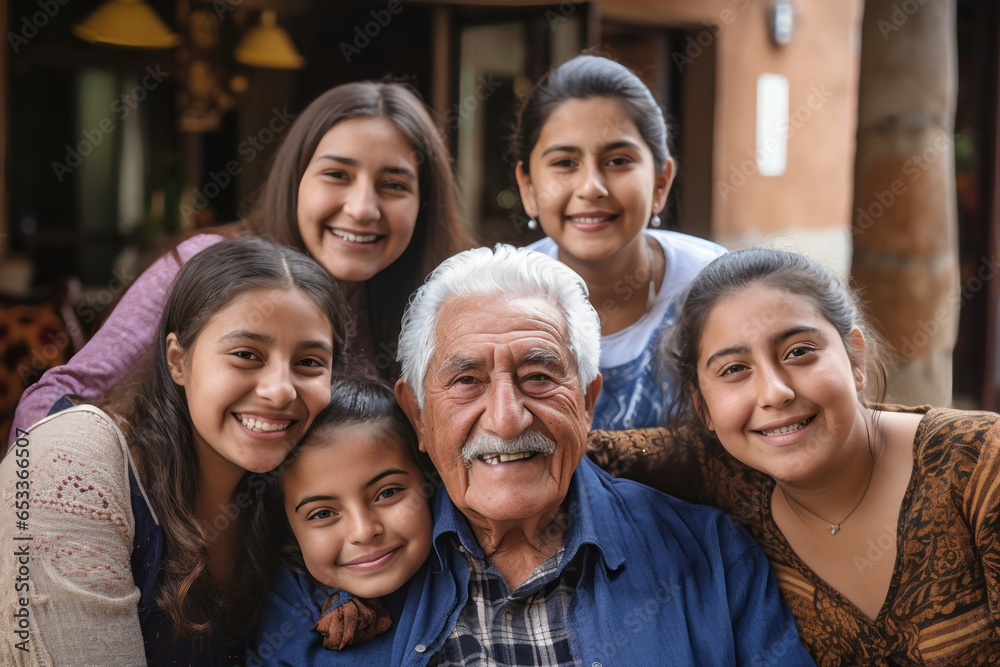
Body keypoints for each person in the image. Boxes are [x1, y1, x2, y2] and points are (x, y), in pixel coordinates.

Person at [255, 245, 812, 666]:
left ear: (589, 402)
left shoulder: (709, 557)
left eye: (540, 377)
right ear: (418, 415)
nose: (506, 417)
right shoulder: (342, 573)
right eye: (467, 380)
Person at [588, 248, 1000, 665]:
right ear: (702, 408)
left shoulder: (979, 462)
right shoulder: (719, 475)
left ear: (855, 357)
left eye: (799, 351)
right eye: (734, 369)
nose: (775, 392)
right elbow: (573, 448)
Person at [9, 80, 468, 448]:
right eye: (337, 175)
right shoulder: (207, 266)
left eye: (394, 185)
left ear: (422, 206)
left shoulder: (423, 312)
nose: (364, 207)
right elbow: (50, 404)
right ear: (295, 180)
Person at [0, 237, 349, 665]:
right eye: (245, 354)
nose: (280, 391)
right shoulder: (75, 462)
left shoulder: (299, 492)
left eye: (310, 362)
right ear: (177, 360)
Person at [512, 54, 724, 430]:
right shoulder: (500, 297)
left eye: (618, 160)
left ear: (661, 182)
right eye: (564, 163)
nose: (591, 187)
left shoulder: (718, 288)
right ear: (528, 187)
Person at [271, 376, 432, 651]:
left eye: (387, 493)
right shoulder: (278, 626)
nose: (363, 531)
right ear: (289, 528)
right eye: (322, 514)